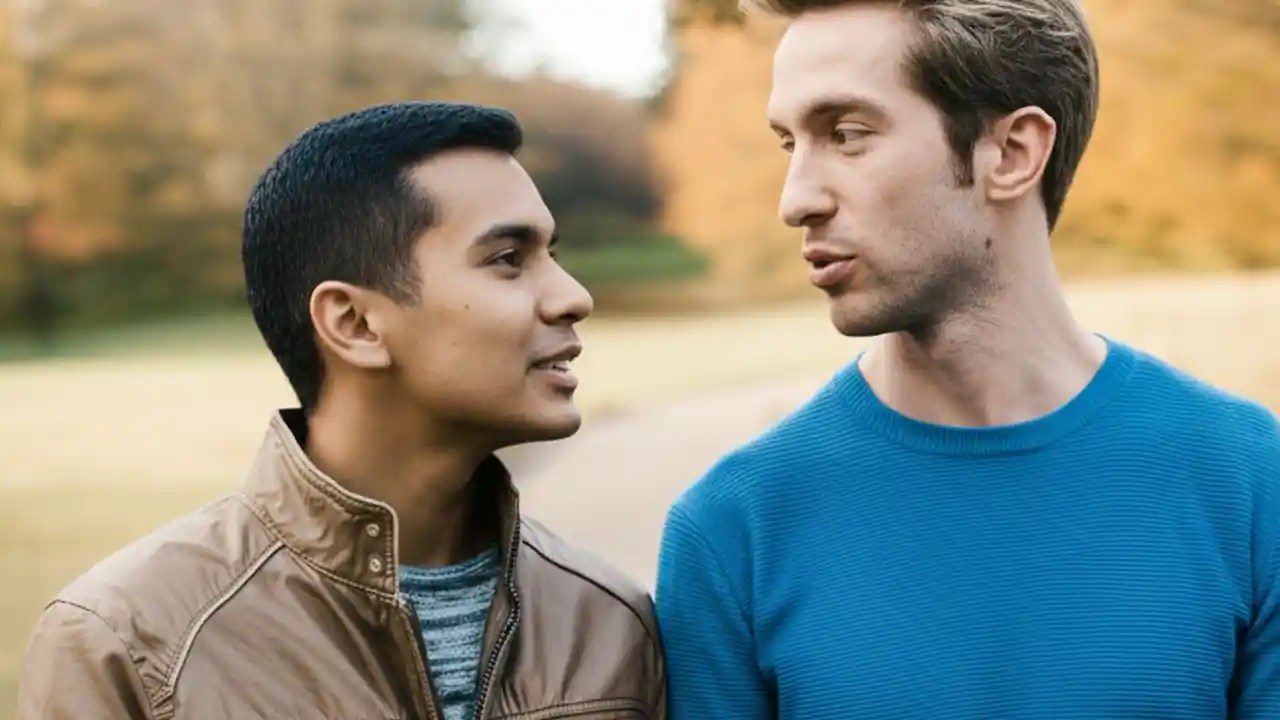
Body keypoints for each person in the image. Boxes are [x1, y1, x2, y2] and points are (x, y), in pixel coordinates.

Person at [654, 1, 1280, 718]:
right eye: (788, 144)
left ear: (1011, 154)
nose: (795, 200)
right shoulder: (732, 530)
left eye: (846, 135)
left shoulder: (1250, 482)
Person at [19, 102, 667, 720]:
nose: (573, 297)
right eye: (507, 260)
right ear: (354, 323)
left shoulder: (609, 620)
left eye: (553, 255)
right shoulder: (128, 642)